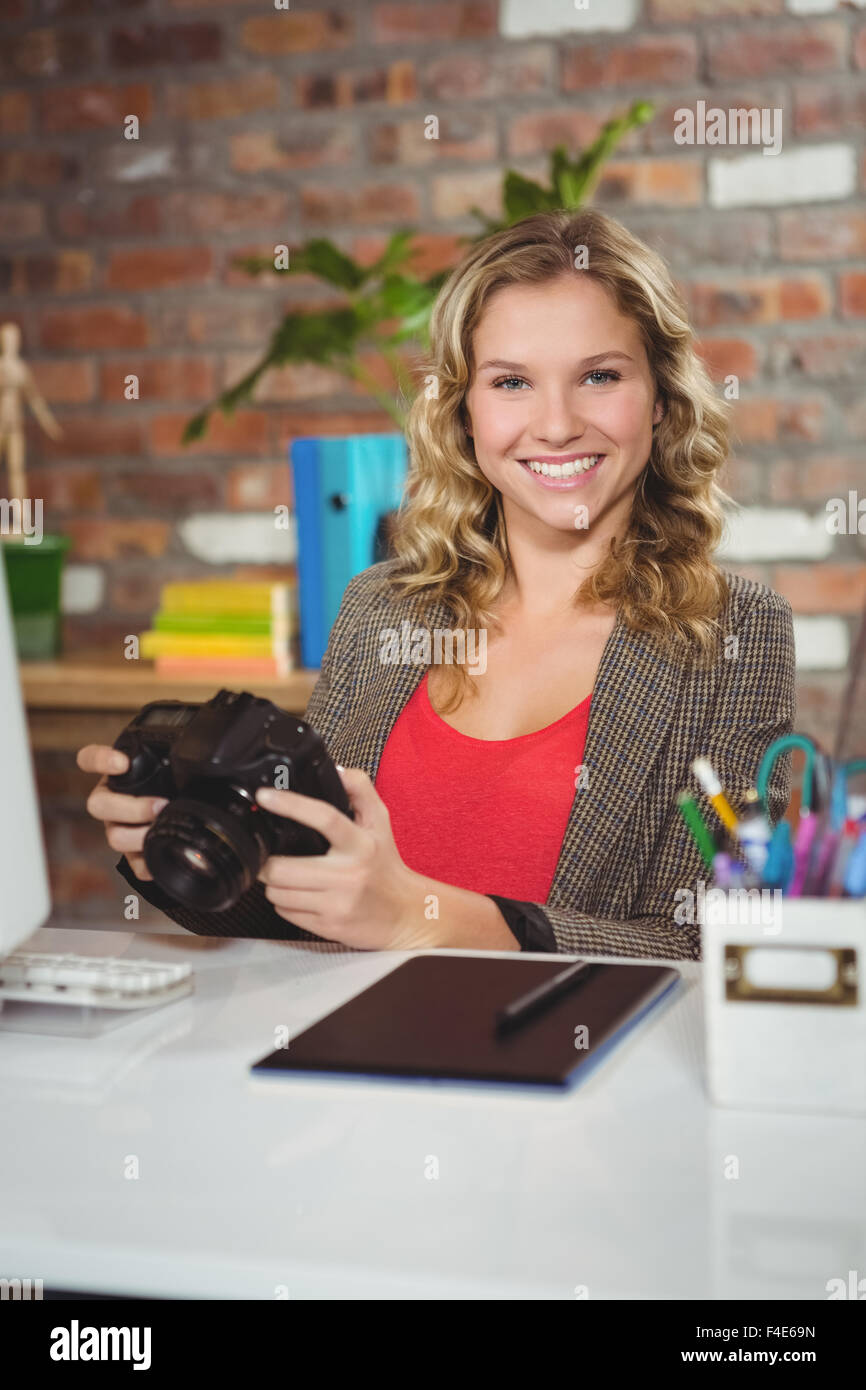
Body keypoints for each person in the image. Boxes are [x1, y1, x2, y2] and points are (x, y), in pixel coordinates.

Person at [78, 208, 795, 958]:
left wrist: (418, 916)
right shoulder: (378, 609)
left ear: (661, 398)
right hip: (348, 1058)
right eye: (512, 381)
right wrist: (178, 850)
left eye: (600, 376)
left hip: (569, 1064)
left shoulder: (733, 634)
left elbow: (711, 945)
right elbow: (311, 907)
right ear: (464, 410)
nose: (554, 425)